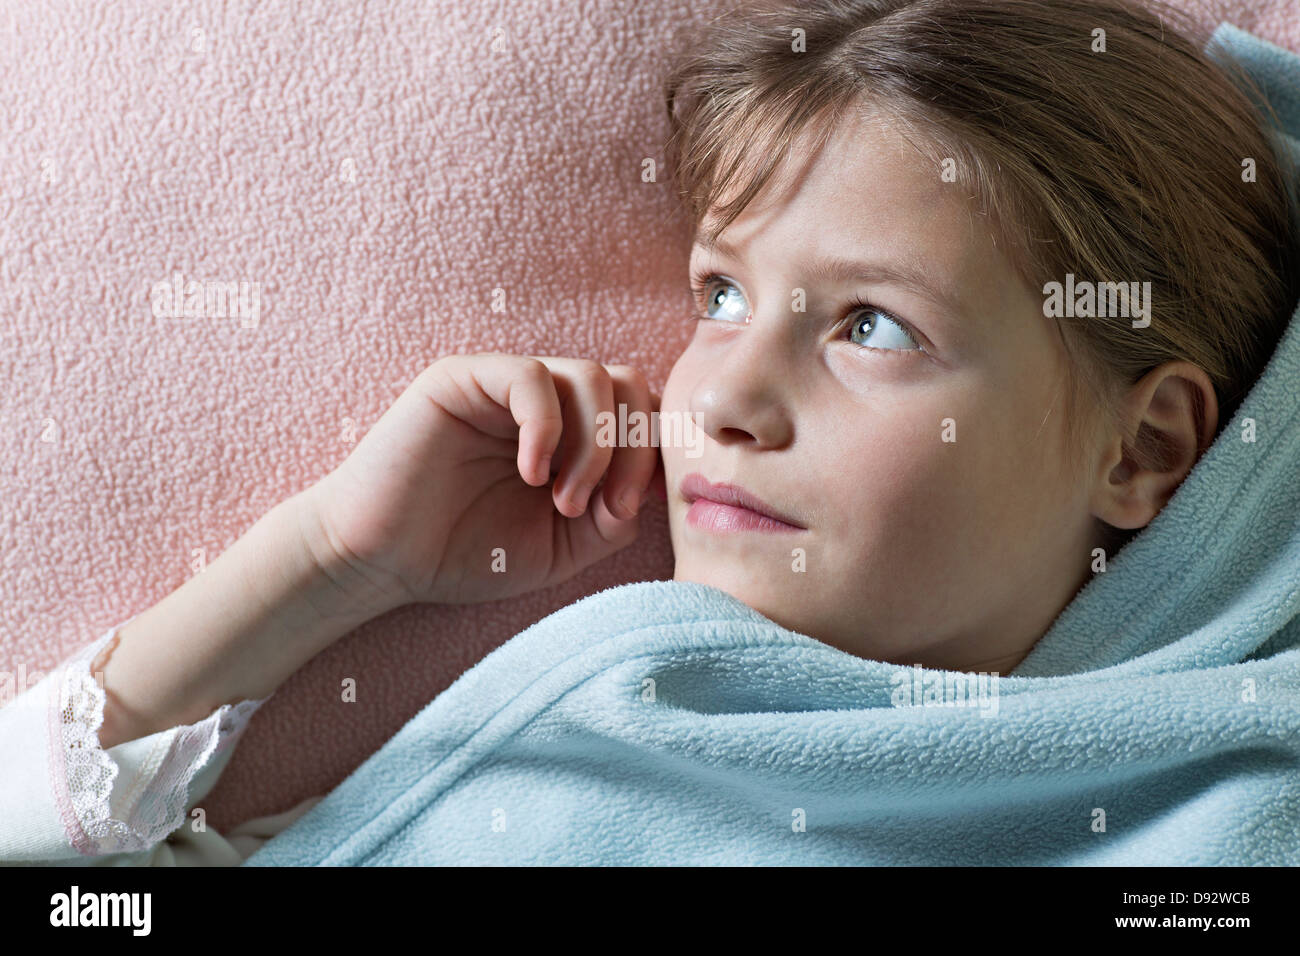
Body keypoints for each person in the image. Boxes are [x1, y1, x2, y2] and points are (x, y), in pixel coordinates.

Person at [3, 0, 1297, 865]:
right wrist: (332, 562)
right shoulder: (607, 743)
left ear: (1143, 453)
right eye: (720, 295)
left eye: (871, 328)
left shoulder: (1228, 828)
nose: (725, 396)